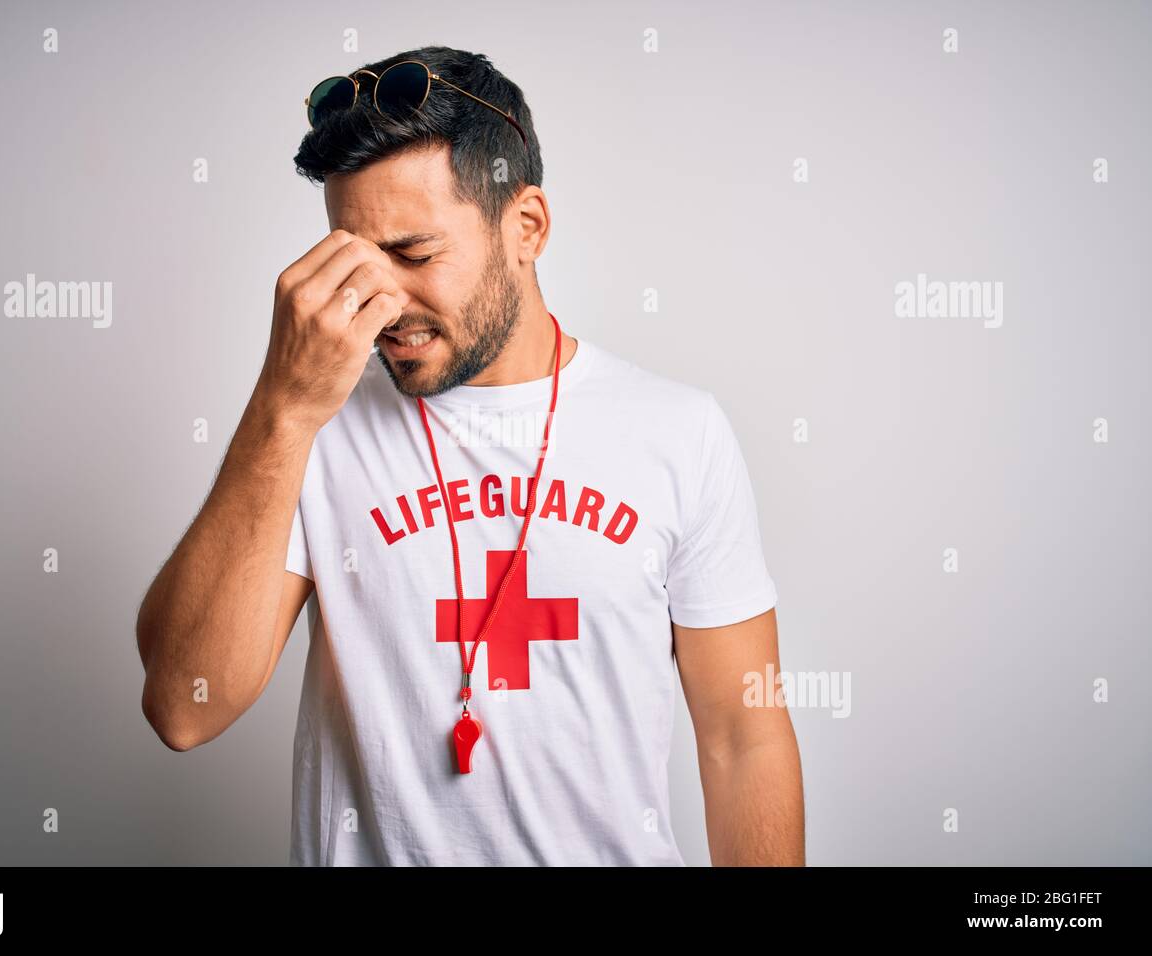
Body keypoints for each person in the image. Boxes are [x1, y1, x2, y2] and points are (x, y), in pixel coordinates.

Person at [136, 45, 804, 866]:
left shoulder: (679, 431)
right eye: (353, 259)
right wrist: (281, 407)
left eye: (413, 255)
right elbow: (183, 706)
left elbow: (744, 736)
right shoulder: (310, 427)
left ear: (526, 227)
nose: (380, 302)